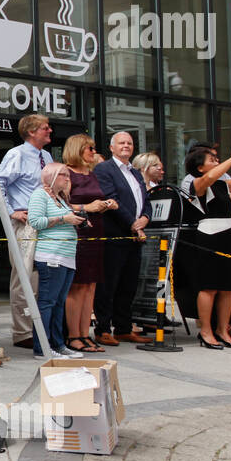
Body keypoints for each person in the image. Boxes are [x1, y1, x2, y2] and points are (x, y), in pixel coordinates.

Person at [178, 144, 231, 350]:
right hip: (209, 235)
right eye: (211, 160)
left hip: (228, 234)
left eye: (216, 159)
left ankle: (223, 330)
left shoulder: (223, 183)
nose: (216, 162)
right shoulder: (197, 182)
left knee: (227, 288)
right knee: (209, 287)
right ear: (199, 167)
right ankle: (206, 331)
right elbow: (210, 178)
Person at [0, 114, 53, 347]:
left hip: (46, 223)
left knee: (43, 277)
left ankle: (38, 327)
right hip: (25, 222)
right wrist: (11, 212)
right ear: (31, 132)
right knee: (24, 276)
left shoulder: (46, 156)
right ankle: (22, 332)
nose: (50, 131)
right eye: (45, 128)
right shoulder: (16, 154)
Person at [92, 132, 150, 346]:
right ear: (112, 147)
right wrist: (133, 224)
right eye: (122, 143)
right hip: (114, 235)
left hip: (135, 238)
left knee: (129, 284)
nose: (126, 146)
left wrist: (145, 218)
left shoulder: (135, 172)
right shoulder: (104, 169)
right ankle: (103, 329)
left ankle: (124, 328)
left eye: (130, 143)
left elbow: (145, 200)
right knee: (109, 285)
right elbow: (111, 199)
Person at [63, 134, 117, 353]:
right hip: (78, 231)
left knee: (91, 285)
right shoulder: (66, 172)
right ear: (78, 149)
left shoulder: (91, 174)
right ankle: (73, 335)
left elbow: (95, 200)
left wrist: (105, 204)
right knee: (77, 285)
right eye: (90, 149)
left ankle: (85, 333)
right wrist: (87, 208)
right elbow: (59, 204)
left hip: (96, 231)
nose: (93, 152)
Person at [27, 162, 84, 359]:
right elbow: (35, 221)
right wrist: (63, 219)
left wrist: (75, 219)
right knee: (47, 302)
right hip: (51, 255)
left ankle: (58, 343)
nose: (67, 179)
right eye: (63, 175)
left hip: (66, 256)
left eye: (68, 175)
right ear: (50, 176)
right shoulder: (40, 195)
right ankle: (42, 347)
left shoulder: (61, 199)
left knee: (59, 302)